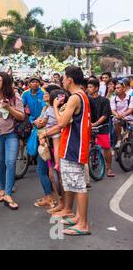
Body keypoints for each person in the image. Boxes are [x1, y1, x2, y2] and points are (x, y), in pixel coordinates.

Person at [53, 66, 92, 236]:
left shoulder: (75, 98)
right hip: (75, 145)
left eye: (63, 78)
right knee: (74, 184)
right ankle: (78, 217)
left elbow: (62, 122)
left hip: (74, 146)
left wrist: (55, 107)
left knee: (79, 186)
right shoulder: (81, 95)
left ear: (69, 80)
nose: (62, 81)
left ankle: (83, 224)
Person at [0, 72, 25, 210]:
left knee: (11, 162)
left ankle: (7, 193)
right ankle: (2, 188)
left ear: (5, 82)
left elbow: (21, 116)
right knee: (0, 163)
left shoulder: (15, 97)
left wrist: (9, 108)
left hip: (11, 134)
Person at [87, 79, 114, 177]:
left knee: (106, 148)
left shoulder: (104, 100)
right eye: (88, 87)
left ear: (96, 88)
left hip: (102, 127)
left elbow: (105, 115)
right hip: (90, 126)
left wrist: (96, 123)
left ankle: (109, 168)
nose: (88, 89)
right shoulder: (87, 100)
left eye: (90, 87)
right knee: (89, 146)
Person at [111, 80, 133, 148]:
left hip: (130, 118)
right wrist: (117, 115)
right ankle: (119, 140)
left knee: (130, 135)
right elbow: (113, 110)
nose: (116, 90)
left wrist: (123, 114)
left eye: (118, 88)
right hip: (119, 118)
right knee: (115, 121)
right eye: (115, 88)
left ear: (124, 89)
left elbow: (130, 109)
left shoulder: (130, 98)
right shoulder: (113, 99)